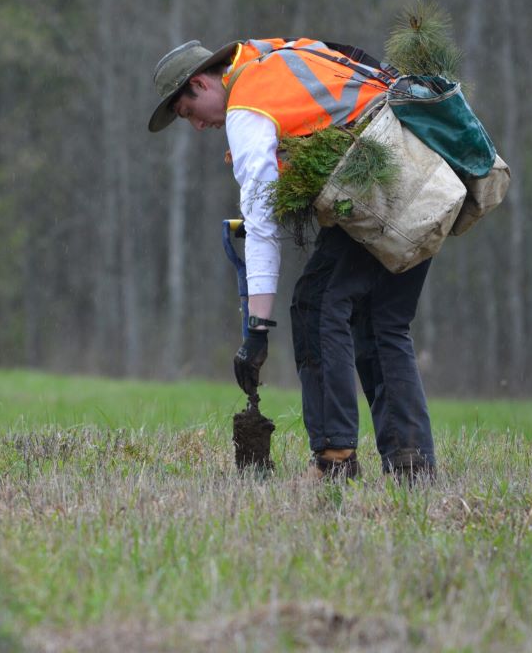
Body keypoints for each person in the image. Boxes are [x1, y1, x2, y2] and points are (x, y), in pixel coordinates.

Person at [148, 38, 436, 481]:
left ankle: (333, 459)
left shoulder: (247, 105)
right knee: (383, 321)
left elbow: (262, 224)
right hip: (429, 170)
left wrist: (257, 330)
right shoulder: (278, 56)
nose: (199, 127)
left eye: (189, 114)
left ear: (201, 83)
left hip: (386, 180)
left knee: (316, 306)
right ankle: (411, 465)